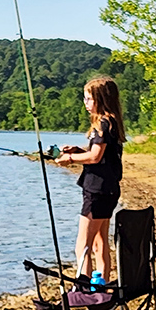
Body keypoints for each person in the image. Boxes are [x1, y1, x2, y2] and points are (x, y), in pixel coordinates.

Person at [55, 76, 125, 283]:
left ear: (101, 100)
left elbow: (95, 157)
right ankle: (100, 285)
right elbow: (101, 154)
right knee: (100, 241)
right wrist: (79, 151)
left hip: (97, 191)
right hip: (109, 190)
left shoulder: (102, 124)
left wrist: (70, 158)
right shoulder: (112, 123)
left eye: (88, 99)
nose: (85, 103)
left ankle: (84, 287)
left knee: (82, 245)